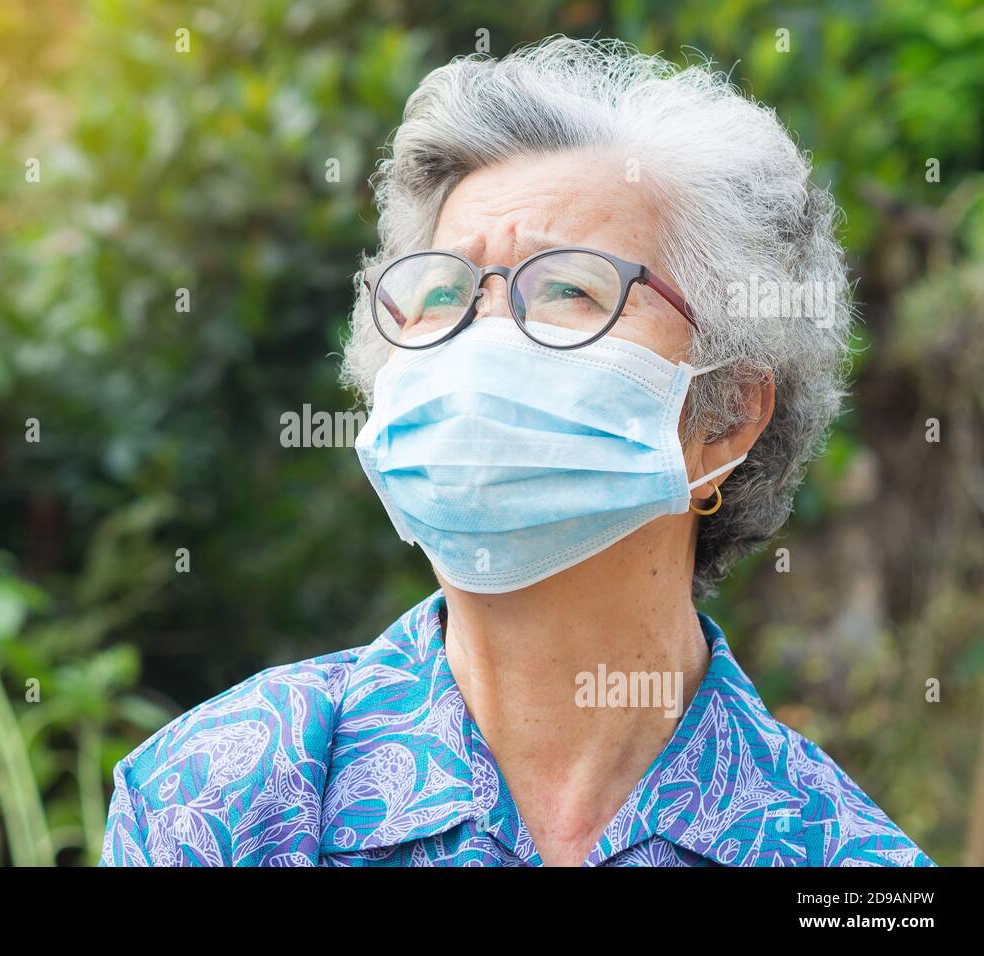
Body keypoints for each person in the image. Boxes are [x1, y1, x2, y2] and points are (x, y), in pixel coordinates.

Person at [100, 36, 933, 867]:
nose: (481, 340)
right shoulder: (214, 799)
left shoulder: (842, 866)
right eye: (439, 293)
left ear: (725, 419)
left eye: (571, 287)